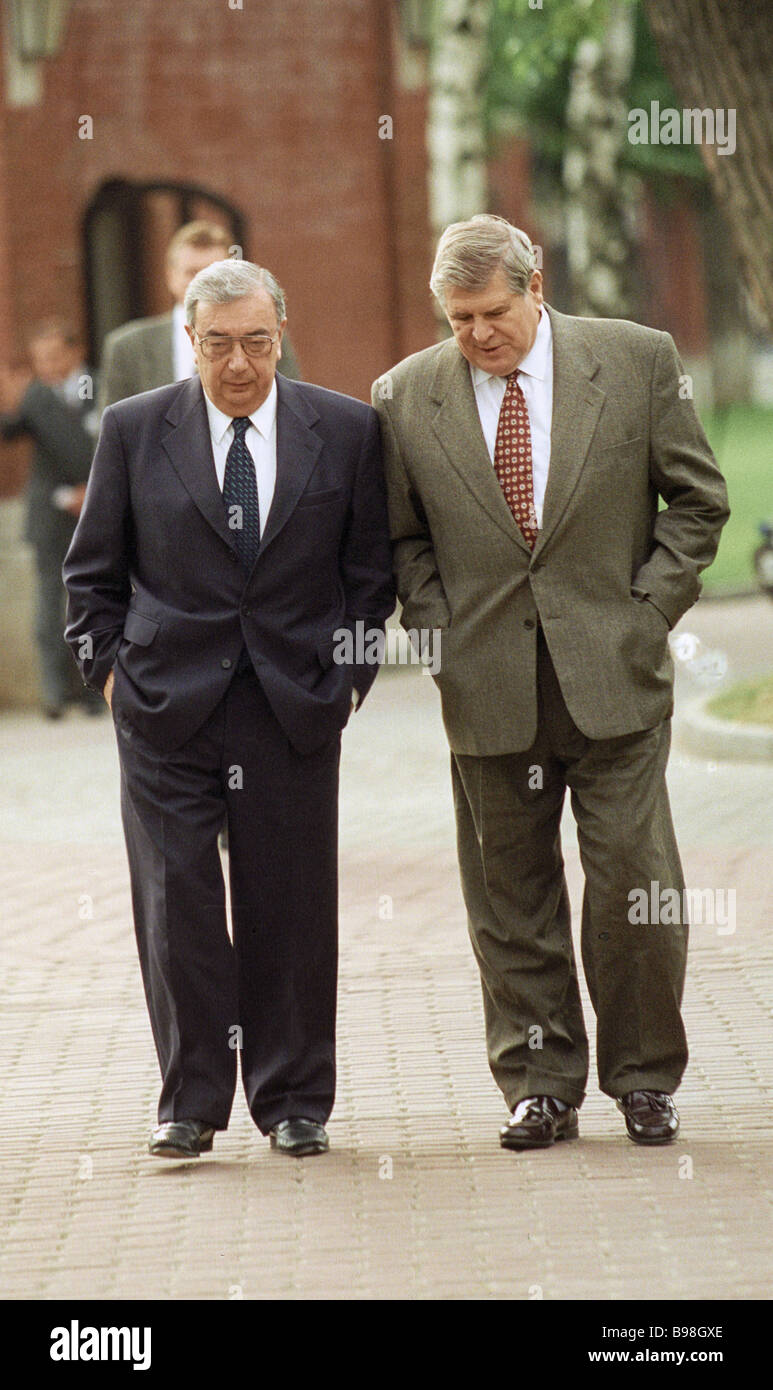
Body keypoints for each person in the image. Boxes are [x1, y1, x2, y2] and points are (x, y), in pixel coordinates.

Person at [373, 214, 729, 1150]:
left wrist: (646, 612)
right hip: (485, 688)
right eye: (458, 320)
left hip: (613, 680)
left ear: (537, 286)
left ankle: (643, 1078)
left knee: (631, 885)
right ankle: (540, 1084)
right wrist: (437, 629)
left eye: (492, 312)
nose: (477, 335)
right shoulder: (405, 396)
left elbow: (696, 500)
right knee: (511, 899)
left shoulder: (637, 360)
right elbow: (401, 538)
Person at [65, 259, 394, 1160]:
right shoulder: (136, 429)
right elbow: (90, 573)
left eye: (255, 341)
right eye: (217, 343)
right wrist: (112, 679)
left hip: (292, 709)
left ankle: (294, 1100)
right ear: (191, 342)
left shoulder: (347, 428)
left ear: (280, 335)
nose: (238, 362)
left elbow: (370, 578)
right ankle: (191, 1100)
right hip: (166, 708)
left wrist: (347, 683)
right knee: (179, 907)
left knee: (289, 907)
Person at [0, 320, 100, 718]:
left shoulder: (97, 384)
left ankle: (93, 690)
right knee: (48, 605)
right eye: (40, 359)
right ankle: (54, 694)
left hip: (93, 511)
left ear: (75, 353)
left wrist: (91, 489)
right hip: (49, 518)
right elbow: (10, 431)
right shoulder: (34, 394)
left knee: (92, 603)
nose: (48, 366)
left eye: (55, 357)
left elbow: (109, 438)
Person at [98, 221, 301, 412]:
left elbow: (292, 409)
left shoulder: (264, 338)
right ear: (170, 276)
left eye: (212, 273)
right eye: (192, 273)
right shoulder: (127, 347)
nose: (202, 284)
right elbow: (112, 434)